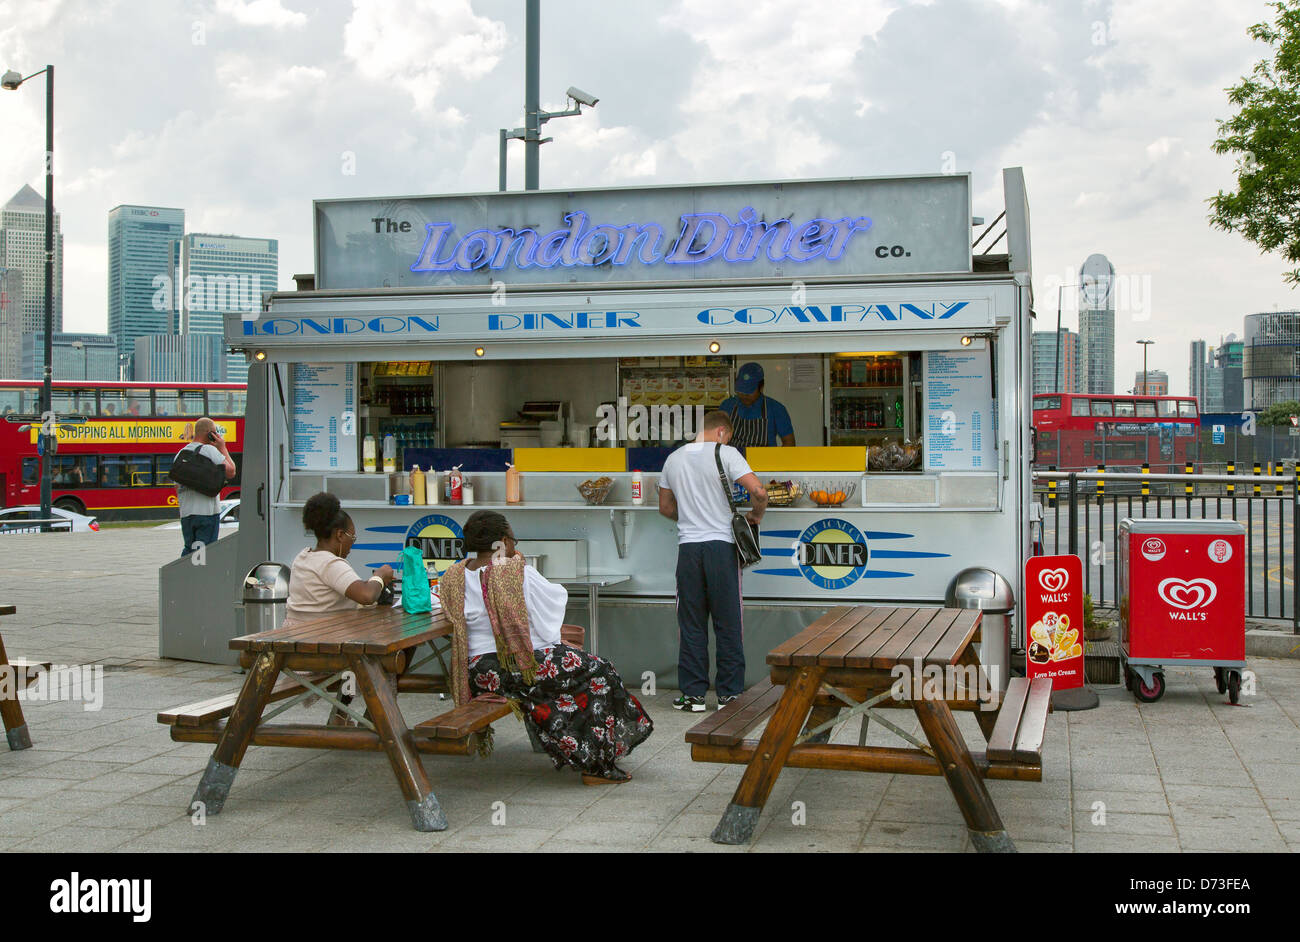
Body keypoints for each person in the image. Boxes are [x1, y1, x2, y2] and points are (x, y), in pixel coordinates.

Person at [439, 510, 653, 784]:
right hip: (514, 666)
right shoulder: (515, 572)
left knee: (566, 681)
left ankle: (582, 749)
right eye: (514, 539)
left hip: (477, 673)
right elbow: (552, 605)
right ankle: (596, 766)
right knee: (600, 672)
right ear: (503, 541)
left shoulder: (453, 576)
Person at [658, 410, 767, 711]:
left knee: (691, 623)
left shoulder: (673, 459)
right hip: (722, 548)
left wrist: (691, 518)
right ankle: (729, 695)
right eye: (728, 436)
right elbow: (759, 491)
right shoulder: (728, 454)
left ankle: (693, 696)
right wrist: (756, 516)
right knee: (728, 622)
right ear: (721, 432)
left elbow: (665, 508)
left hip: (689, 550)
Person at [286, 492, 395, 621]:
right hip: (320, 637)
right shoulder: (330, 563)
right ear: (340, 535)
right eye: (352, 538)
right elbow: (366, 596)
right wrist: (380, 575)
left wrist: (373, 583)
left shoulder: (303, 557)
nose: (352, 545)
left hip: (296, 633)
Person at [175, 417, 236, 557]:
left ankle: (184, 576)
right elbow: (231, 471)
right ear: (210, 433)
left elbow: (177, 487)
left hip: (186, 514)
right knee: (204, 556)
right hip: (206, 513)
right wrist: (222, 448)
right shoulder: (209, 450)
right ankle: (199, 578)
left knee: (190, 552)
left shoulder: (181, 453)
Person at [718, 361, 795, 449]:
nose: (744, 396)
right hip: (731, 461)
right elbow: (716, 437)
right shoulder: (727, 405)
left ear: (761, 387)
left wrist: (776, 460)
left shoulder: (776, 409)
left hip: (764, 461)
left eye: (749, 392)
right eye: (741, 391)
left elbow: (789, 442)